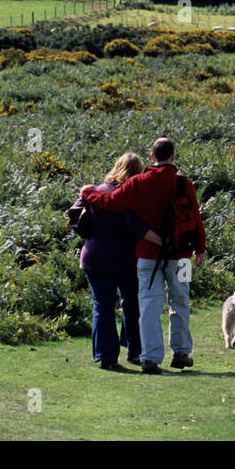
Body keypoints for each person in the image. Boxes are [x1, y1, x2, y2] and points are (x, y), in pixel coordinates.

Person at [80, 137, 205, 375]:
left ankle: (150, 358)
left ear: (152, 156)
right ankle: (180, 353)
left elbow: (109, 201)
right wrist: (200, 247)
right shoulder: (184, 183)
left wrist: (88, 192)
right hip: (182, 256)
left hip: (148, 256)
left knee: (149, 305)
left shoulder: (138, 183)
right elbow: (195, 216)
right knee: (181, 301)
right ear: (173, 156)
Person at [78, 152, 153, 370]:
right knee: (132, 304)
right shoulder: (131, 197)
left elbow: (75, 211)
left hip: (94, 256)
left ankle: (106, 356)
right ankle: (135, 351)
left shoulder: (95, 191)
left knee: (103, 306)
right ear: (137, 172)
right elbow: (138, 227)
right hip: (126, 259)